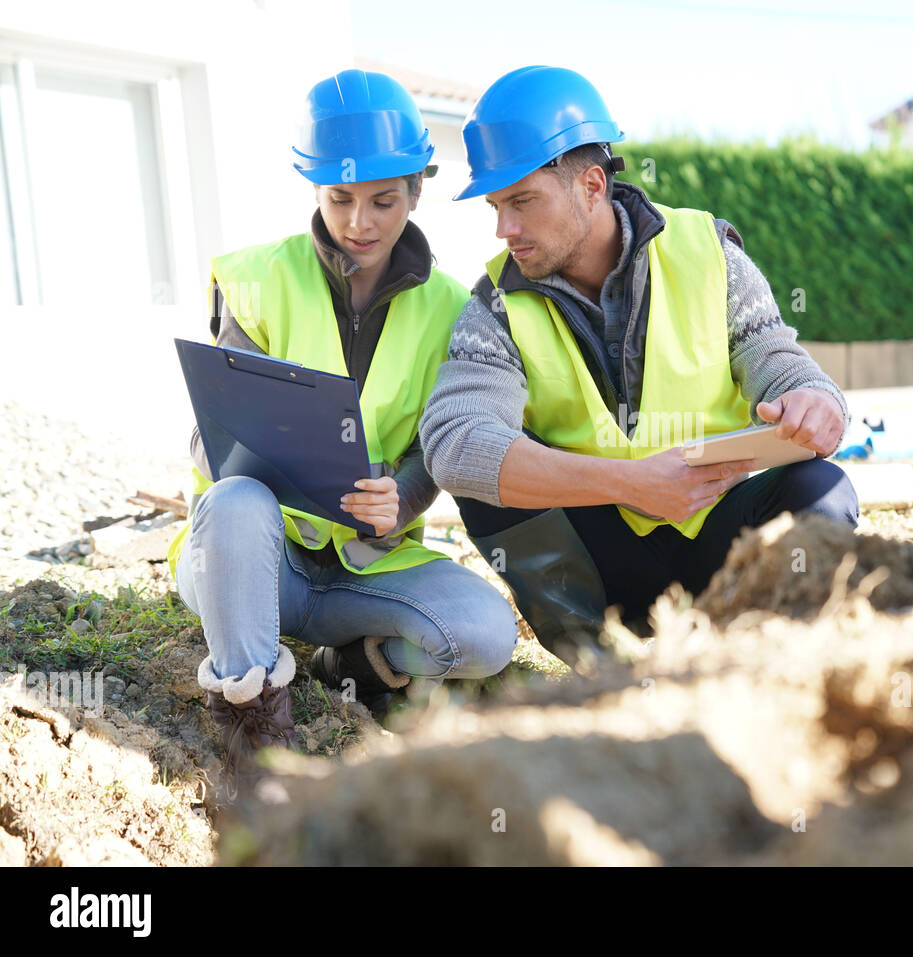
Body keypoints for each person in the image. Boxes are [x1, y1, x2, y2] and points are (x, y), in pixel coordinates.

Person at [420, 66, 859, 665]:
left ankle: (770, 654)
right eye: (497, 205)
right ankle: (599, 666)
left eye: (522, 201)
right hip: (603, 574)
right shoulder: (494, 303)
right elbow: (453, 443)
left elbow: (772, 352)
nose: (505, 229)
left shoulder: (707, 250)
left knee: (824, 488)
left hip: (718, 545)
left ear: (592, 185)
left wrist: (815, 399)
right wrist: (630, 483)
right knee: (487, 470)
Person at [168, 69, 517, 794]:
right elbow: (209, 437)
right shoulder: (255, 280)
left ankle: (346, 666)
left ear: (417, 190)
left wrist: (408, 495)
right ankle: (251, 716)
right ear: (315, 191)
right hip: (253, 563)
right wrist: (257, 461)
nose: (359, 221)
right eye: (340, 199)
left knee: (485, 633)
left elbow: (437, 445)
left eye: (383, 200)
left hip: (367, 565)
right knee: (235, 501)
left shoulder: (456, 309)